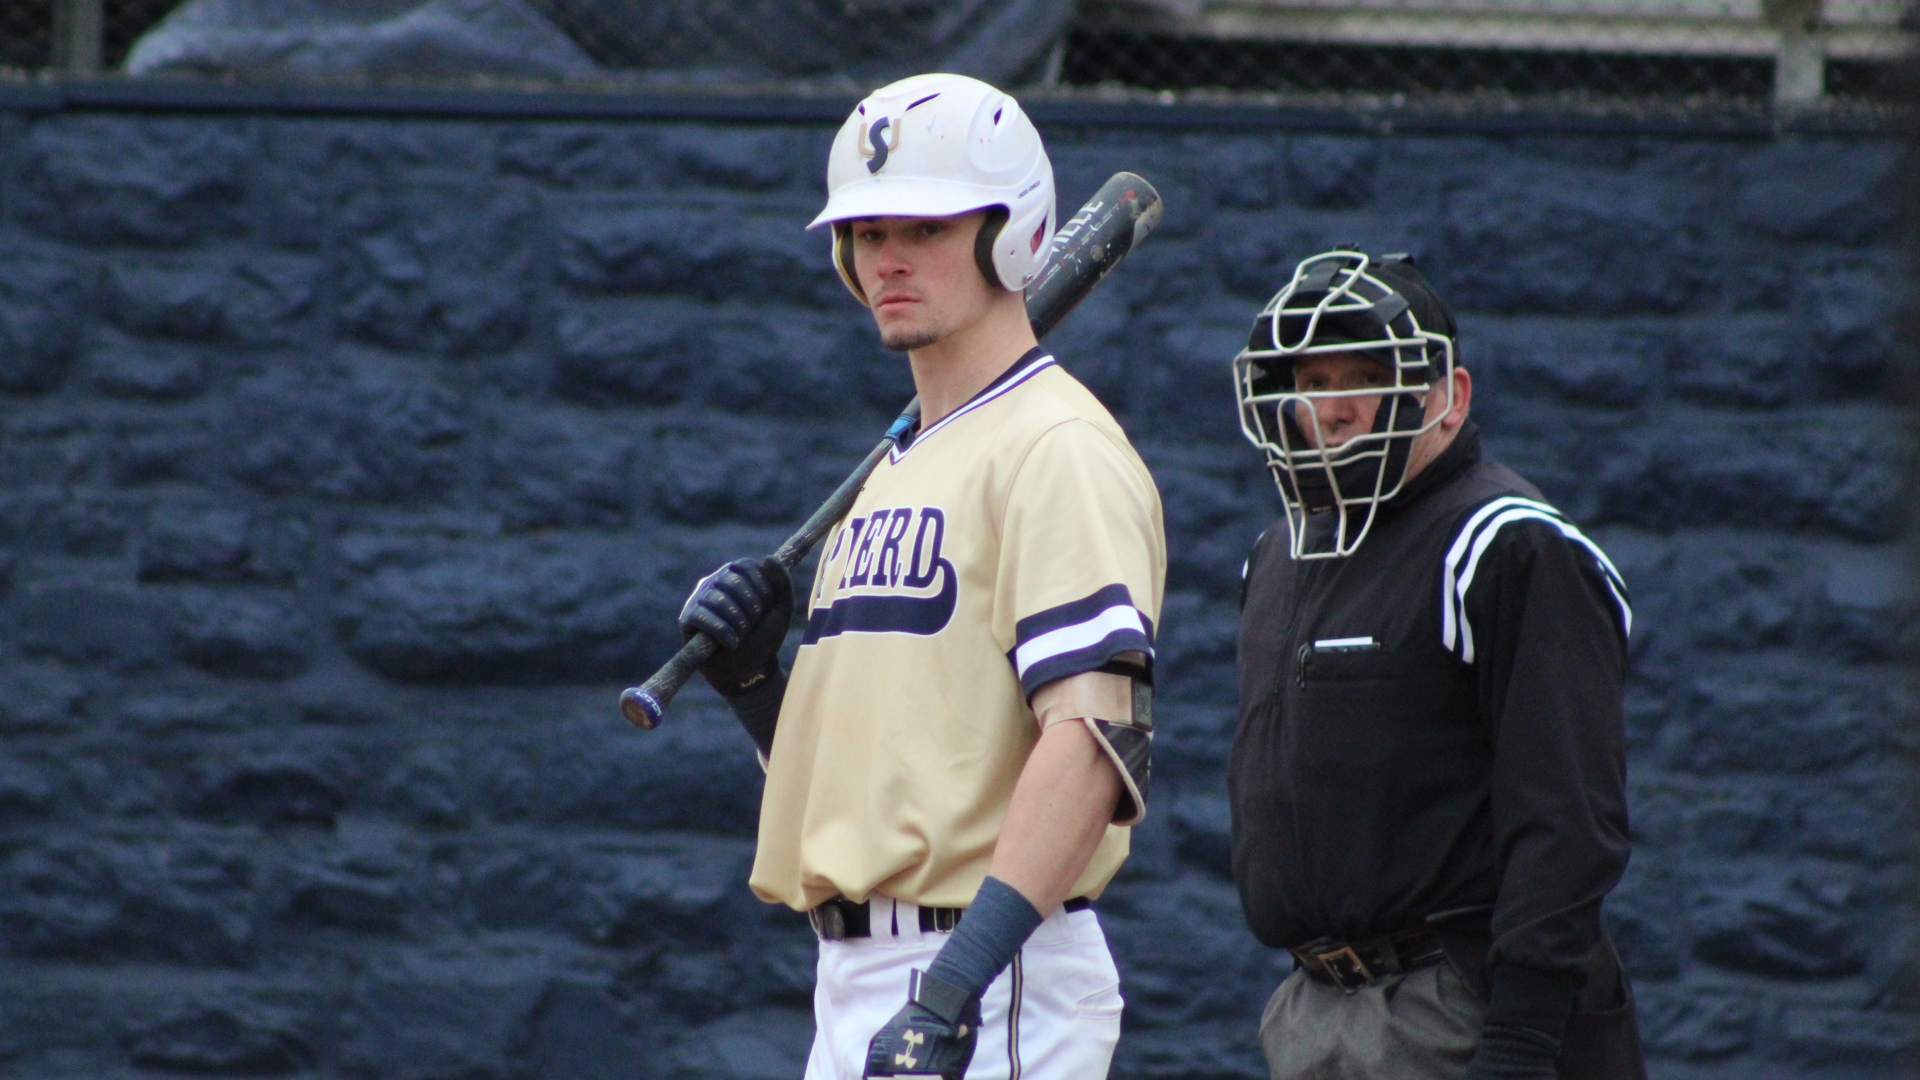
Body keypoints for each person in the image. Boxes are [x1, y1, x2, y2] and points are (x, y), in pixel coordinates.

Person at [675, 73, 1166, 1080]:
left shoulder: (1055, 446)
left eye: (925, 228)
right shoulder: (898, 463)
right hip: (856, 976)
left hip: (989, 974)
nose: (887, 258)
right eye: (865, 233)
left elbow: (1093, 742)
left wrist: (951, 991)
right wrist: (763, 689)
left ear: (1011, 233)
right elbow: (884, 786)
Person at [1227, 249, 1647, 1080]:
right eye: (1308, 383)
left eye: (1358, 377)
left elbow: (1569, 821)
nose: (1330, 409)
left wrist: (1521, 1039)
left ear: (1447, 398)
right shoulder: (1276, 553)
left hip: (1457, 1008)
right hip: (1311, 1008)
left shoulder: (1508, 543)